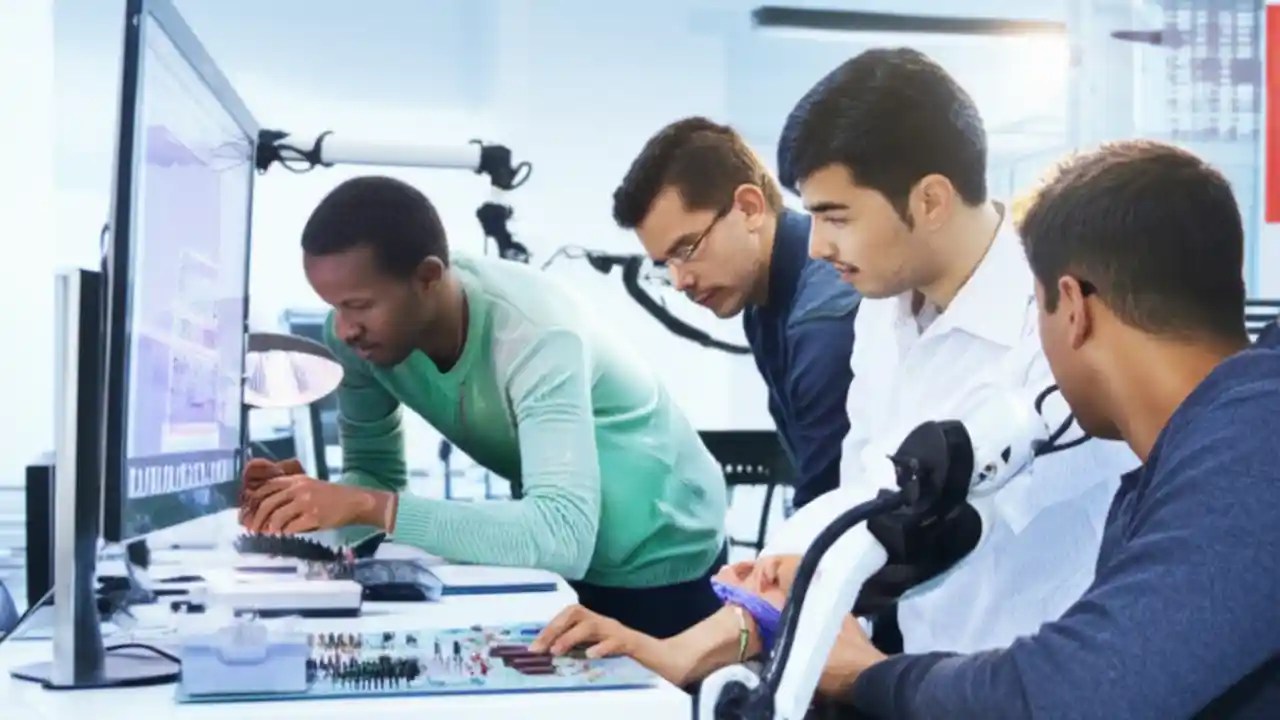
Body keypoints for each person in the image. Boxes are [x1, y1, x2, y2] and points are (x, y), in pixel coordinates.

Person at [533, 46, 1136, 675]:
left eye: (835, 217)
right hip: (923, 670)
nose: (817, 245)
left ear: (929, 201)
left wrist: (783, 587)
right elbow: (861, 490)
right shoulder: (883, 308)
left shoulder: (1058, 324)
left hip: (1036, 679)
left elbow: (930, 526)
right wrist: (689, 643)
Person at [829, 139, 1280, 718]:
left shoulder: (1252, 448)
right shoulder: (1213, 444)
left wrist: (866, 676)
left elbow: (1073, 693)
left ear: (1073, 308)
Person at [238, 175, 729, 639]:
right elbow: (374, 477)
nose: (343, 329)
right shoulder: (353, 342)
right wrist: (312, 503)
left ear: (428, 277)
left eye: (360, 305)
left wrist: (368, 506)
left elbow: (561, 537)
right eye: (334, 305)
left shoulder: (536, 334)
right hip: (567, 553)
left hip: (662, 552)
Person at [611, 116, 861, 509]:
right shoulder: (758, 307)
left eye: (686, 249)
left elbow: (828, 501)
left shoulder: (823, 319)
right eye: (665, 263)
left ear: (748, 208)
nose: (679, 281)